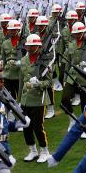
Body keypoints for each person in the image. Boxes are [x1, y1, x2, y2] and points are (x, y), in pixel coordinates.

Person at [19, 33, 52, 162]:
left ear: (38, 47)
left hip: (39, 99)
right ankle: (32, 150)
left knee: (38, 127)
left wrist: (39, 84)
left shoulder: (44, 61)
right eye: (29, 46)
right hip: (25, 99)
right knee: (26, 127)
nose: (31, 48)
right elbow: (21, 81)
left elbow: (49, 82)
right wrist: (19, 99)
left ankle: (44, 150)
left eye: (34, 46)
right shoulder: (23, 61)